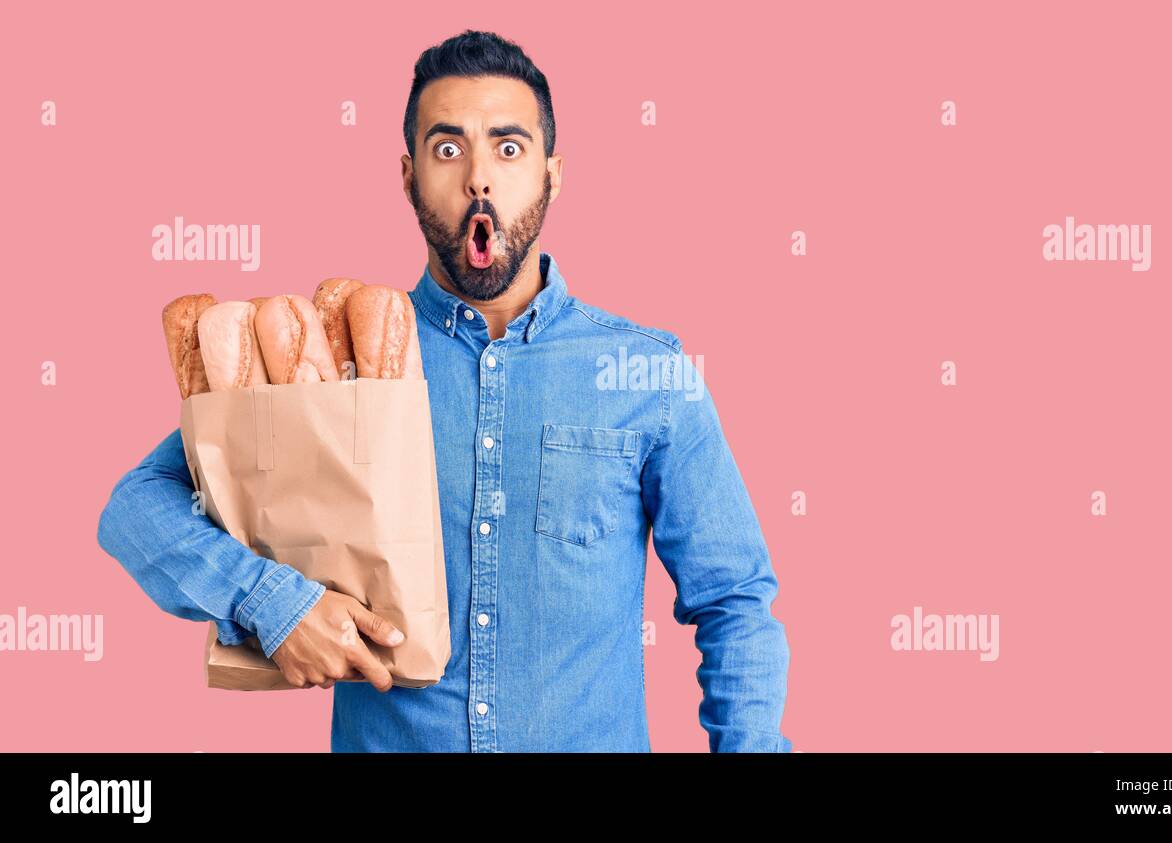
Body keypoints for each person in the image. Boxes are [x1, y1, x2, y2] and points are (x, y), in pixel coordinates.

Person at [98, 29, 793, 752]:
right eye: (448, 148)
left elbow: (734, 600)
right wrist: (274, 603)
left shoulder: (648, 374)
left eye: (509, 147)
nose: (479, 179)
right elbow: (134, 508)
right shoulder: (339, 362)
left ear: (553, 174)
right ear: (407, 175)